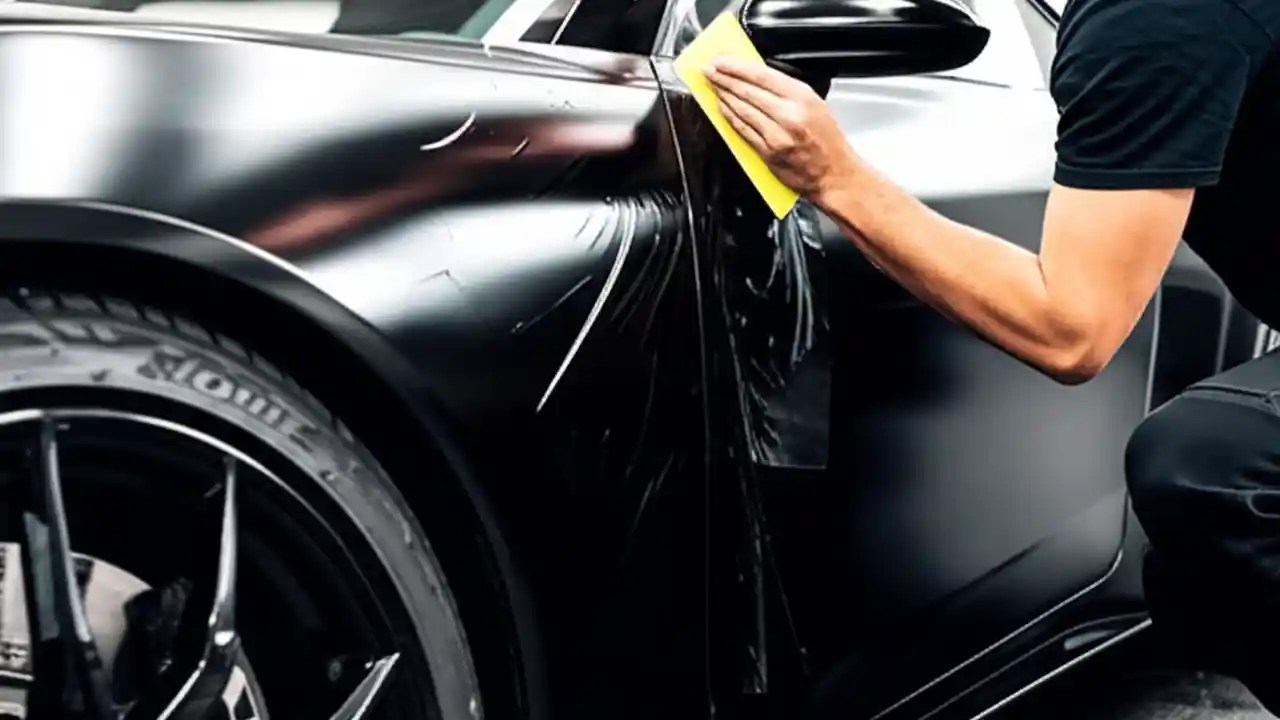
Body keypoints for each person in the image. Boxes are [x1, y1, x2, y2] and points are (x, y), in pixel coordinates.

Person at [703, 0, 1280, 711]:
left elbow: (1071, 329)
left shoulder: (1152, 15)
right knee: (1199, 572)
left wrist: (838, 178)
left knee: (1212, 472)